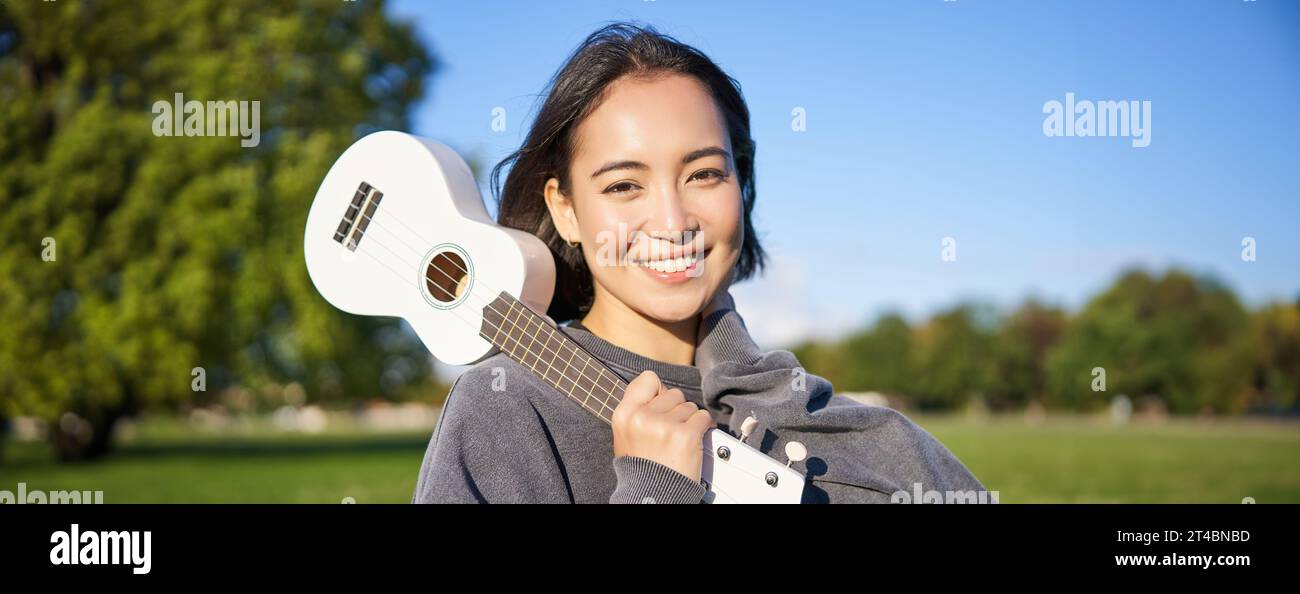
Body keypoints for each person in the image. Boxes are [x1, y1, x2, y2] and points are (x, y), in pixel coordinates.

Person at [413, 23, 986, 504]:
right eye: (623, 185)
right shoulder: (507, 409)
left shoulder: (846, 432)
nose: (672, 220)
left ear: (742, 183)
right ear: (564, 210)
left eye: (704, 174)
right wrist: (657, 488)